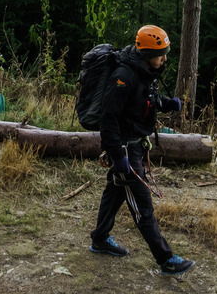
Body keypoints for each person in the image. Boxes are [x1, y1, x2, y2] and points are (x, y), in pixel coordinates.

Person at [89, 24, 195, 276]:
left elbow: (145, 99)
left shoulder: (144, 71)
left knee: (115, 193)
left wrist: (167, 104)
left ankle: (100, 239)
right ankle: (166, 260)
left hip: (135, 145)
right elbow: (108, 119)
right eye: (160, 55)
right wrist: (118, 156)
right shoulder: (124, 77)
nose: (164, 59)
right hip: (125, 149)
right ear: (147, 54)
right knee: (142, 206)